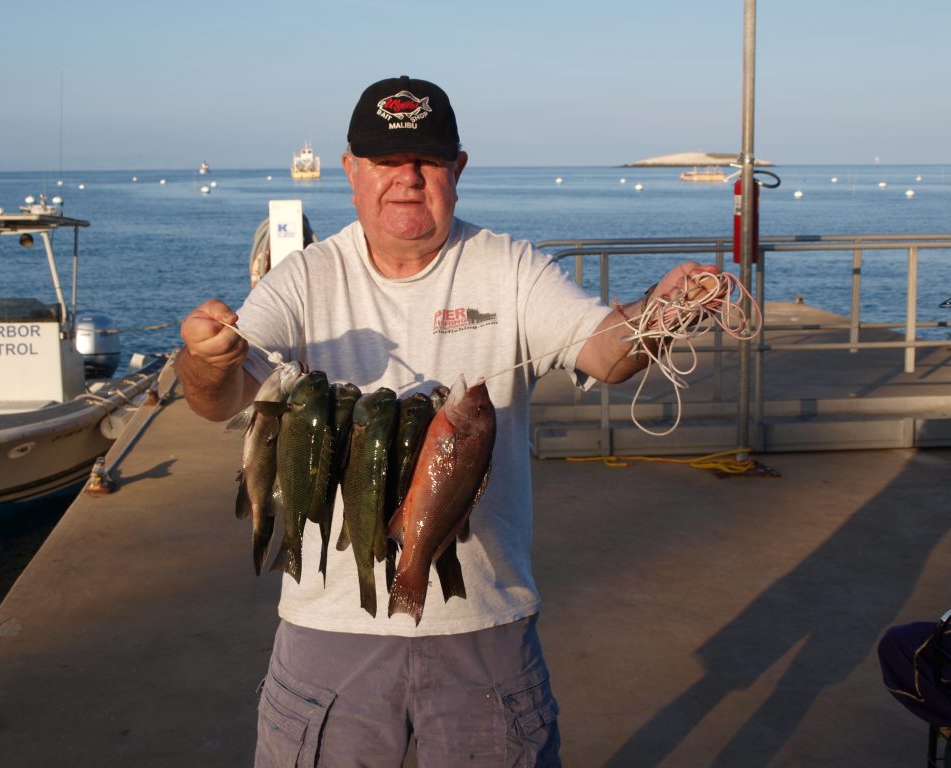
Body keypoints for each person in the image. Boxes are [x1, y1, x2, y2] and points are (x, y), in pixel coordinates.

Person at [177, 75, 718, 767]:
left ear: (457, 169)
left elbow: (606, 355)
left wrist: (662, 312)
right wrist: (209, 356)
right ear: (350, 171)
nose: (407, 179)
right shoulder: (304, 279)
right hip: (326, 631)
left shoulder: (510, 268)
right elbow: (216, 399)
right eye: (385, 161)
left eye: (427, 161)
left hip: (483, 628)